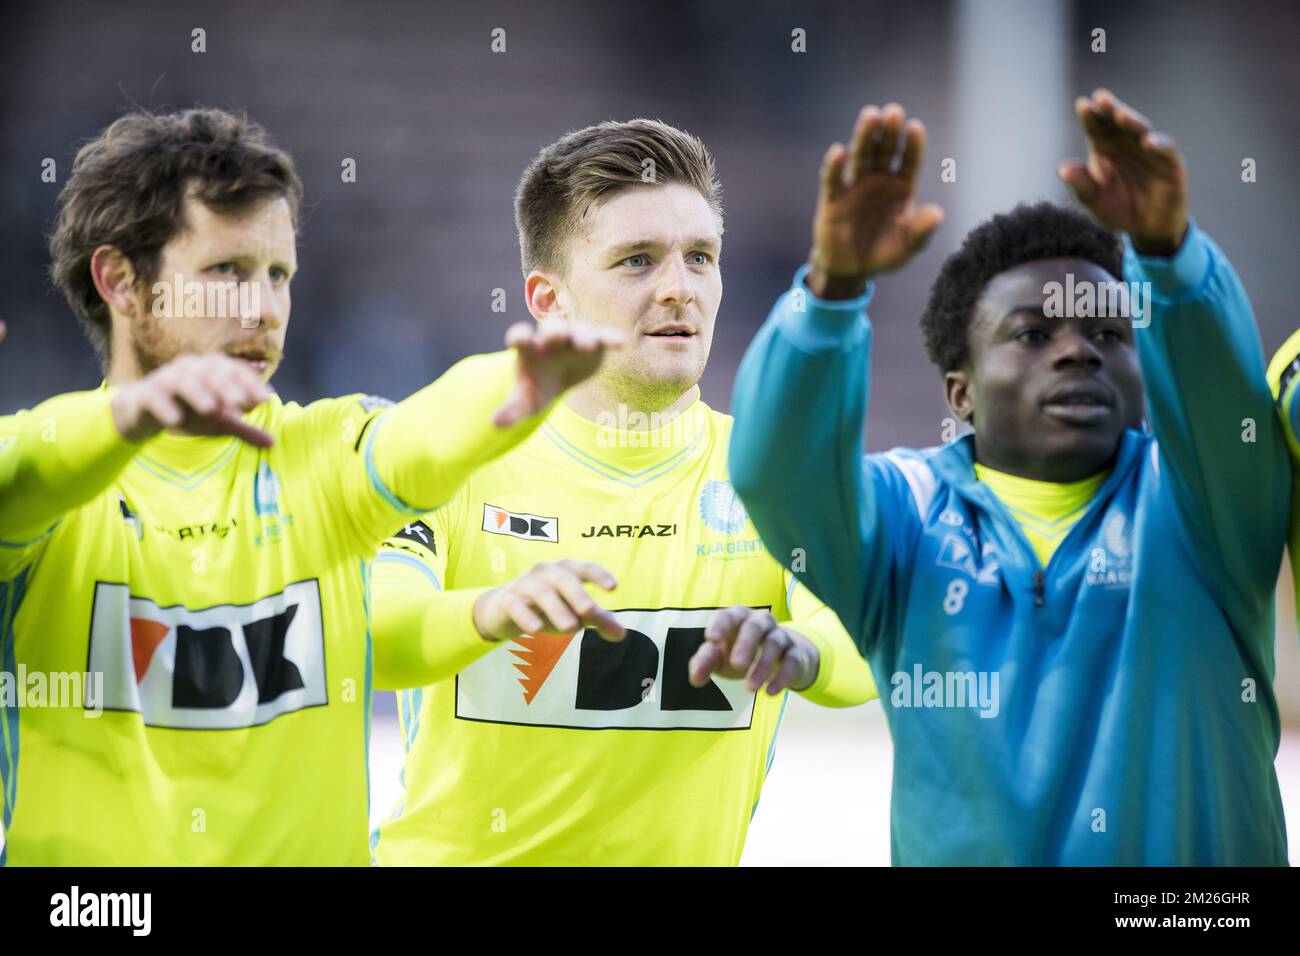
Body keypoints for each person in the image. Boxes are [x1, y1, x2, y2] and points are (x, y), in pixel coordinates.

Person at [0, 107, 620, 865]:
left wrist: (511, 387)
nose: (264, 309)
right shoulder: (45, 470)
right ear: (120, 281)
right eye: (226, 271)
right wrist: (127, 420)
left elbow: (415, 441)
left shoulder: (319, 454)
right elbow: (27, 477)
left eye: (279, 275)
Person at [728, 91, 1288, 864]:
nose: (1078, 351)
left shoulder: (1206, 507)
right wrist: (830, 294)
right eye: (1033, 333)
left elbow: (1224, 397)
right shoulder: (903, 516)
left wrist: (1168, 251)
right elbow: (776, 471)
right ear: (961, 392)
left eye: (1107, 331)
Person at [368, 119, 876, 866]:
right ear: (549, 298)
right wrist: (487, 612)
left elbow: (864, 647)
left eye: (700, 257)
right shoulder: (453, 453)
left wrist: (798, 652)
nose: (678, 289)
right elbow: (378, 636)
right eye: (637, 261)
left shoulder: (775, 473)